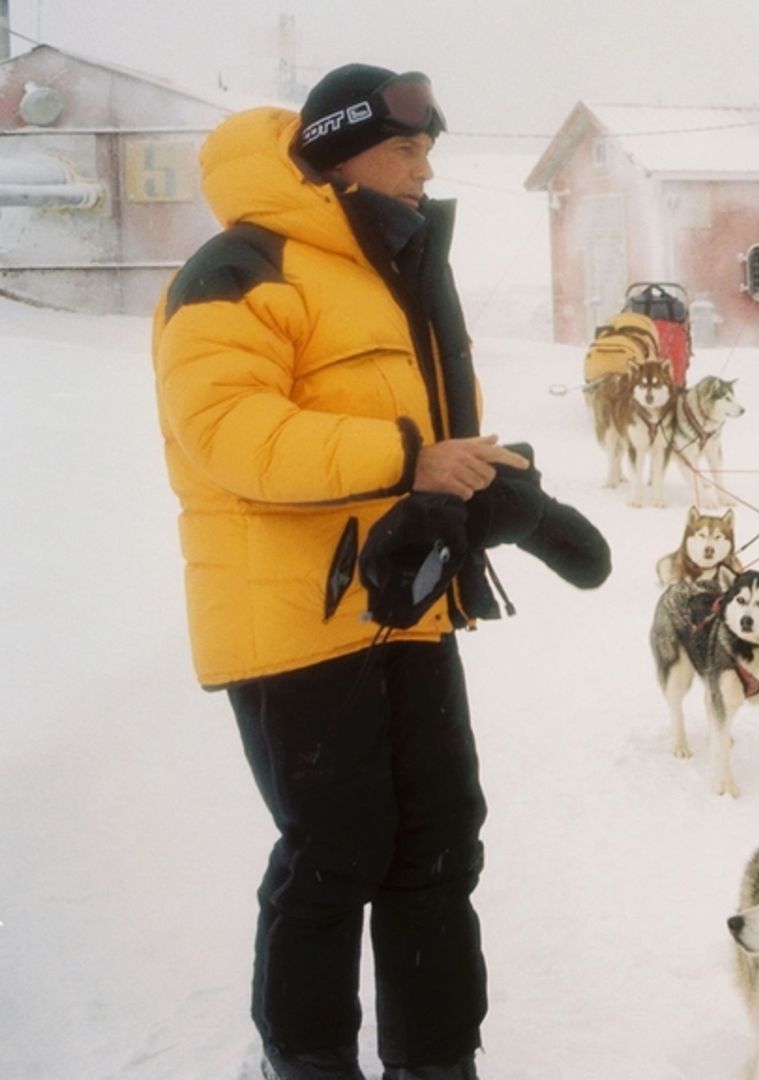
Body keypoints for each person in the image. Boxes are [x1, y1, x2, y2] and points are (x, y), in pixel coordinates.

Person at [152, 64, 607, 1080]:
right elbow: (228, 432)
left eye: (429, 150)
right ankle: (308, 1061)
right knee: (334, 853)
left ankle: (435, 1060)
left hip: (408, 601)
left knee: (439, 845)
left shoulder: (390, 270)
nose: (424, 169)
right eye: (405, 149)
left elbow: (430, 437)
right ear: (339, 154)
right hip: (293, 622)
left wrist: (486, 481)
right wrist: (411, 457)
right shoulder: (239, 268)